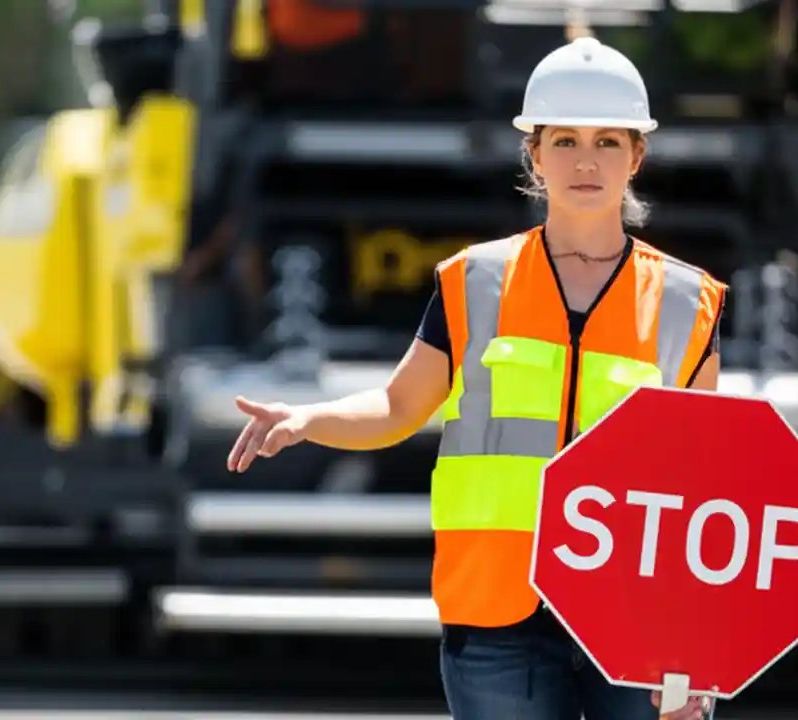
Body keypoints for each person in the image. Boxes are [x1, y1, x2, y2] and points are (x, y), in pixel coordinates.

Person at [226, 36, 725, 720]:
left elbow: (707, 494)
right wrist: (308, 420)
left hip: (633, 626)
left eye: (609, 141)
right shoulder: (476, 283)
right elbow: (399, 406)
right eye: (566, 140)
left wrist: (697, 655)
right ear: (535, 155)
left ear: (637, 156)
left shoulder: (685, 302)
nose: (586, 160)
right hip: (499, 617)